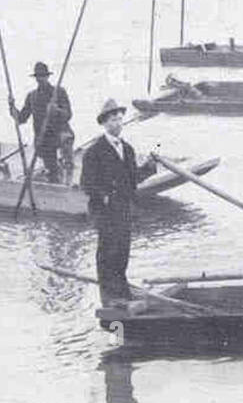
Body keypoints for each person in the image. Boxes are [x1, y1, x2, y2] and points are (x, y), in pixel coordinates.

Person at [81, 99, 158, 307]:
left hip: (124, 209)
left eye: (120, 119)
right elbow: (86, 184)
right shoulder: (94, 152)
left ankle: (122, 291)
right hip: (105, 211)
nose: (118, 123)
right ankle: (109, 298)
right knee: (107, 251)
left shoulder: (127, 149)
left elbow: (133, 179)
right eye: (113, 120)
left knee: (122, 250)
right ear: (104, 123)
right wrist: (104, 197)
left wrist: (149, 168)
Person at [10, 61, 74, 183]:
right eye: (38, 76)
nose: (41, 79)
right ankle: (54, 185)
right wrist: (12, 107)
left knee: (66, 141)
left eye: (43, 76)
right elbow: (21, 119)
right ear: (36, 78)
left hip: (60, 133)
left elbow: (68, 114)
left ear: (47, 76)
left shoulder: (59, 92)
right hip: (44, 139)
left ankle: (68, 176)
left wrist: (56, 111)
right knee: (52, 173)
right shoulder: (32, 96)